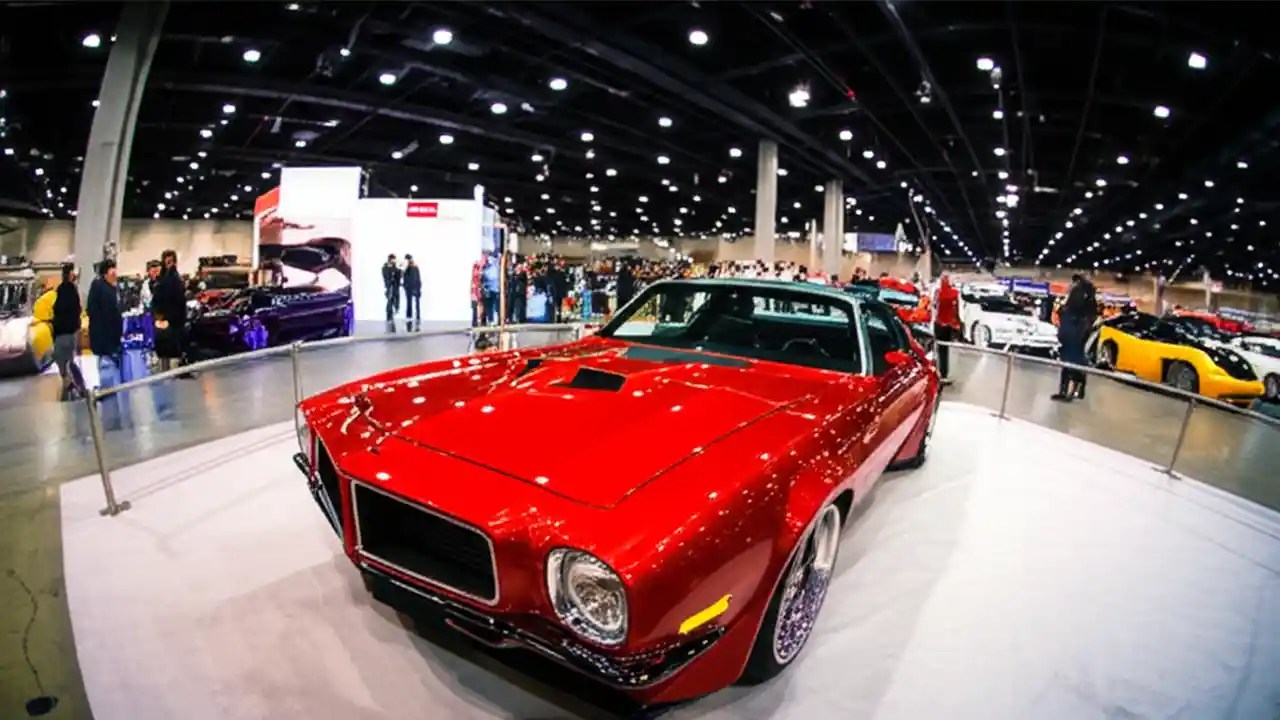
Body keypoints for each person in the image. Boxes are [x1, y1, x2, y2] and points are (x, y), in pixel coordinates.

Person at [87, 259, 130, 430]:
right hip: (104, 338)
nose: (115, 272)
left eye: (115, 268)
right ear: (105, 272)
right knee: (106, 368)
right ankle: (107, 394)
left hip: (109, 338)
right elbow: (98, 312)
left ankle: (109, 393)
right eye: (112, 269)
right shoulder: (100, 287)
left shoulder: (110, 288)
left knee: (109, 367)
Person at [1052, 273, 1097, 401]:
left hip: (1074, 333)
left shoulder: (1078, 292)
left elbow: (1070, 312)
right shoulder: (1089, 296)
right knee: (1075, 361)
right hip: (1079, 333)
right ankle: (1075, 390)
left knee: (1070, 362)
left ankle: (1067, 391)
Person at [152, 249, 188, 373]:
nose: (169, 263)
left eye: (171, 261)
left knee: (173, 349)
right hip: (162, 319)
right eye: (167, 261)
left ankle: (172, 373)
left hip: (175, 320)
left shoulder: (175, 279)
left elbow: (180, 300)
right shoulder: (161, 279)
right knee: (164, 349)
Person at [51, 262, 81, 400]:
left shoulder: (62, 290)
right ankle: (75, 385)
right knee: (68, 360)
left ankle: (71, 384)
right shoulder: (69, 290)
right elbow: (74, 309)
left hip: (63, 332)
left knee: (64, 360)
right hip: (68, 332)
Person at [933, 275, 961, 385]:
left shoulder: (938, 292)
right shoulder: (955, 293)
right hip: (949, 325)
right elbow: (957, 310)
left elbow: (935, 306)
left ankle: (936, 371)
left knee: (937, 349)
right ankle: (944, 374)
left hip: (939, 324)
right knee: (945, 351)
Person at [402, 254, 421, 330]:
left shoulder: (415, 267)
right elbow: (402, 277)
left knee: (417, 304)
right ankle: (409, 318)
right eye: (408, 259)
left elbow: (418, 278)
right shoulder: (405, 268)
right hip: (408, 288)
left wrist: (419, 288)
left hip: (415, 288)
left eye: (410, 259)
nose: (410, 261)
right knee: (409, 303)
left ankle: (418, 317)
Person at [481, 253, 501, 325]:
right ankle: (491, 320)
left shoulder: (495, 267)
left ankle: (494, 321)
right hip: (489, 290)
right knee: (489, 306)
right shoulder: (485, 269)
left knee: (495, 306)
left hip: (495, 290)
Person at [381, 254, 401, 324]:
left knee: (395, 300)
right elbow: (386, 276)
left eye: (394, 259)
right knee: (390, 301)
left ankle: (394, 311)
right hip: (389, 287)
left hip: (395, 286)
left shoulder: (395, 267)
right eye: (392, 259)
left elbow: (399, 275)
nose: (393, 261)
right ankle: (389, 317)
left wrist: (398, 269)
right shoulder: (385, 267)